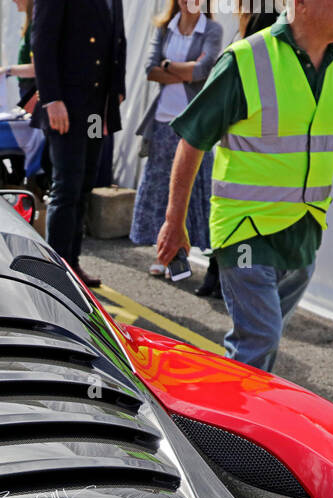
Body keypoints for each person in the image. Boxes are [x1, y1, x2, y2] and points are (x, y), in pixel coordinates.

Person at [155, 0, 333, 374]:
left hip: (303, 232)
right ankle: (231, 410)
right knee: (259, 340)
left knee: (260, 350)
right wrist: (174, 220)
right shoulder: (246, 60)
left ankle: (232, 400)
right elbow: (193, 139)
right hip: (245, 232)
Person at [32, 0, 127, 289]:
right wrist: (51, 99)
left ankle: (72, 263)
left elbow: (118, 40)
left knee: (85, 183)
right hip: (67, 106)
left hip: (97, 108)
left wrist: (117, 90)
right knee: (67, 187)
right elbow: (43, 40)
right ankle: (57, 272)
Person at [129, 0, 223, 287]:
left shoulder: (212, 29)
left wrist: (168, 66)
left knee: (189, 194)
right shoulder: (164, 28)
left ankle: (180, 256)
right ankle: (163, 255)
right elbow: (150, 70)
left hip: (193, 126)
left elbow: (203, 71)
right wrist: (185, 70)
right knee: (161, 192)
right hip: (161, 123)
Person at [0, 0, 34, 112]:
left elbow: (36, 69)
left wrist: (6, 70)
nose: (13, 1)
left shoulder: (34, 27)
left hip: (33, 91)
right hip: (26, 89)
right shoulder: (29, 25)